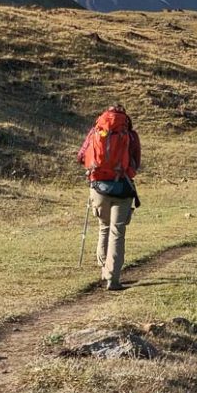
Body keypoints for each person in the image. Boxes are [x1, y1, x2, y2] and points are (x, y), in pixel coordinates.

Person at [77, 104, 141, 291]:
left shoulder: (95, 131)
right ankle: (113, 279)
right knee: (117, 232)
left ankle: (104, 269)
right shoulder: (130, 135)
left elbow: (81, 157)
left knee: (103, 227)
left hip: (98, 188)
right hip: (122, 187)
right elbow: (136, 162)